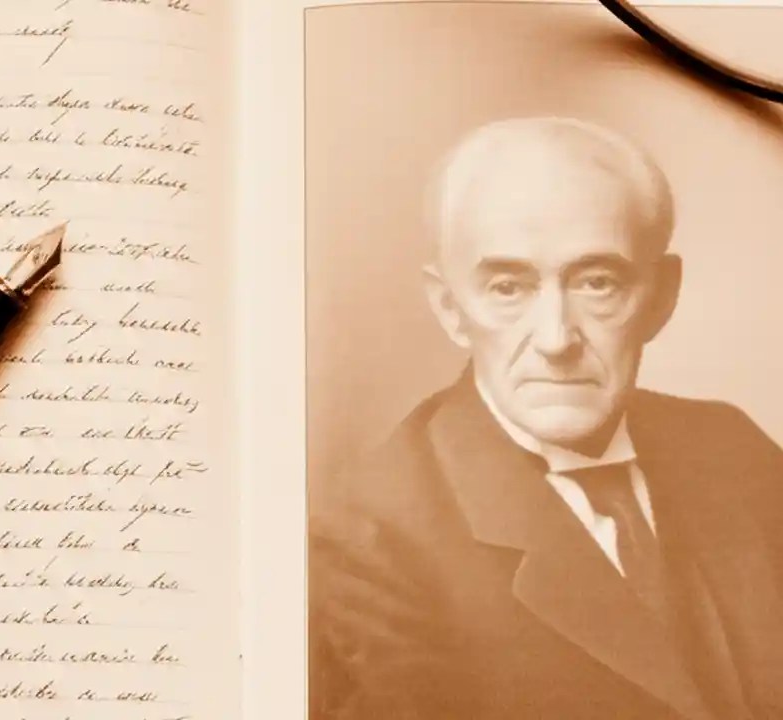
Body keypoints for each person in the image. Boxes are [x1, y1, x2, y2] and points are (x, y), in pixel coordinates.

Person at [309, 116, 783, 720]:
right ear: (451, 308)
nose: (556, 338)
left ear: (662, 297)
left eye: (597, 282)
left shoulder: (733, 451)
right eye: (509, 288)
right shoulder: (370, 543)